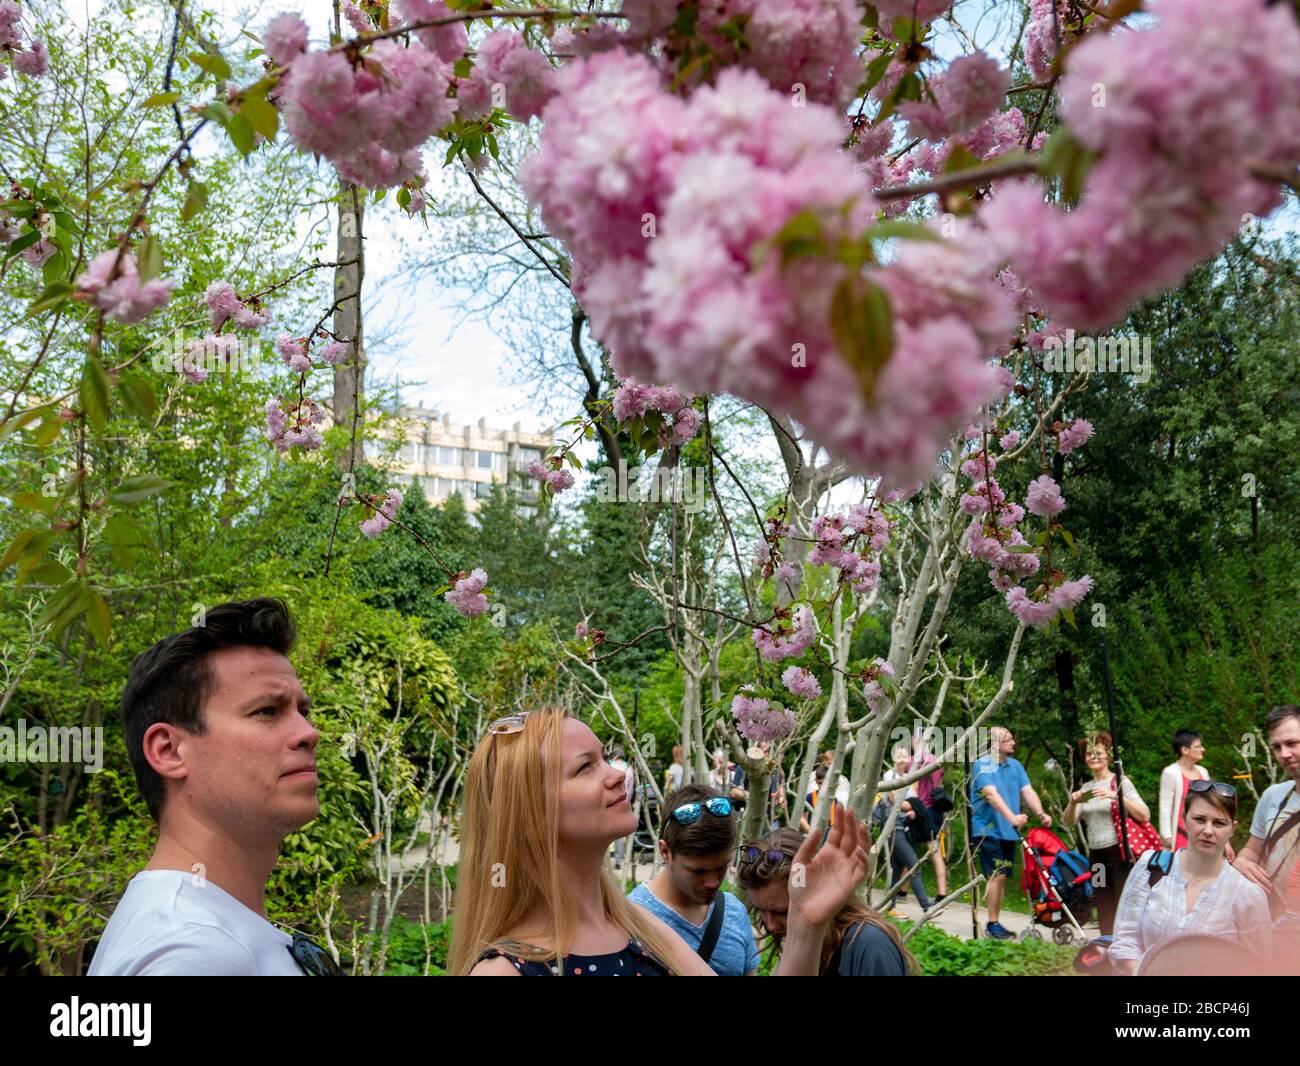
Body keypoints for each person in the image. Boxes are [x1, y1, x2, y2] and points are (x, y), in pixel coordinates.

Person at [449, 706, 872, 975]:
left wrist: (804, 926)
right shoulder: (506, 970)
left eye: (606, 758)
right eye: (585, 768)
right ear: (532, 816)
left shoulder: (640, 930)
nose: (617, 774)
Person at [88, 599, 334, 976]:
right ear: (169, 751)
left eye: (302, 711)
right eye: (266, 711)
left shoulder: (210, 929)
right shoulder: (192, 951)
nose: (308, 733)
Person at [1109, 782, 1272, 975]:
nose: (1208, 830)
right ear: (1184, 819)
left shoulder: (1247, 894)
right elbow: (1125, 941)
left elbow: (1258, 965)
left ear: (1232, 828)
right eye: (1200, 819)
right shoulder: (1151, 868)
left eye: (1219, 823)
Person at [738, 826, 918, 976]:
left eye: (782, 912)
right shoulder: (801, 946)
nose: (770, 926)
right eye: (760, 910)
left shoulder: (870, 945)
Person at [627, 784, 761, 976]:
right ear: (665, 851)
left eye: (721, 867)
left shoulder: (734, 912)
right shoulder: (631, 921)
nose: (713, 883)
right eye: (698, 871)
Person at [1061, 732, 1152, 936]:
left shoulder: (1120, 782)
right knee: (1103, 900)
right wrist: (1073, 802)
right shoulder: (1086, 788)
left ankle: (1128, 944)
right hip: (1097, 857)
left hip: (1119, 855)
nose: (1094, 757)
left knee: (1123, 899)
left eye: (1098, 753)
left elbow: (1144, 814)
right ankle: (1106, 945)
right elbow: (1068, 822)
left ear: (1108, 756)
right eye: (1089, 754)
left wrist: (1116, 797)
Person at [1234, 704, 1300, 974]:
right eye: (1277, 747)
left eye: (1292, 743)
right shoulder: (1273, 797)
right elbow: (1251, 851)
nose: (1285, 754)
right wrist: (1242, 862)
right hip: (1276, 931)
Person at [969, 725, 1051, 940]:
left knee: (1002, 877)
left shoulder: (1015, 766)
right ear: (995, 744)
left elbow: (1028, 791)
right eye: (1008, 739)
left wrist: (1041, 814)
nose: (1013, 743)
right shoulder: (982, 765)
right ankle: (992, 924)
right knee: (998, 875)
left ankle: (995, 922)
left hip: (1008, 831)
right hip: (987, 830)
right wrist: (1012, 817)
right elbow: (991, 795)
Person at [880, 745, 933, 912]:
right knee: (914, 867)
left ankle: (890, 905)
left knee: (896, 870)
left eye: (905, 756)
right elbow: (893, 800)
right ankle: (926, 906)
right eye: (899, 755)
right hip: (893, 827)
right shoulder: (890, 775)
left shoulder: (909, 778)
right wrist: (911, 807)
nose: (903, 759)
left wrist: (911, 809)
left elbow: (914, 803)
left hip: (904, 827)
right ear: (894, 758)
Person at [908, 731, 949, 900]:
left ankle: (901, 890)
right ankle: (942, 892)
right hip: (936, 810)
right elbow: (939, 786)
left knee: (908, 848)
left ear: (914, 740)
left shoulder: (914, 762)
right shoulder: (937, 762)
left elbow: (914, 789)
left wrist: (912, 808)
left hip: (920, 810)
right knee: (935, 850)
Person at [1158, 729, 1209, 850]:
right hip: (1181, 832)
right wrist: (1166, 835)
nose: (1203, 749)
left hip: (1203, 831)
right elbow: (1165, 806)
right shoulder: (1171, 772)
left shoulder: (1203, 772)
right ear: (1185, 750)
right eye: (1198, 746)